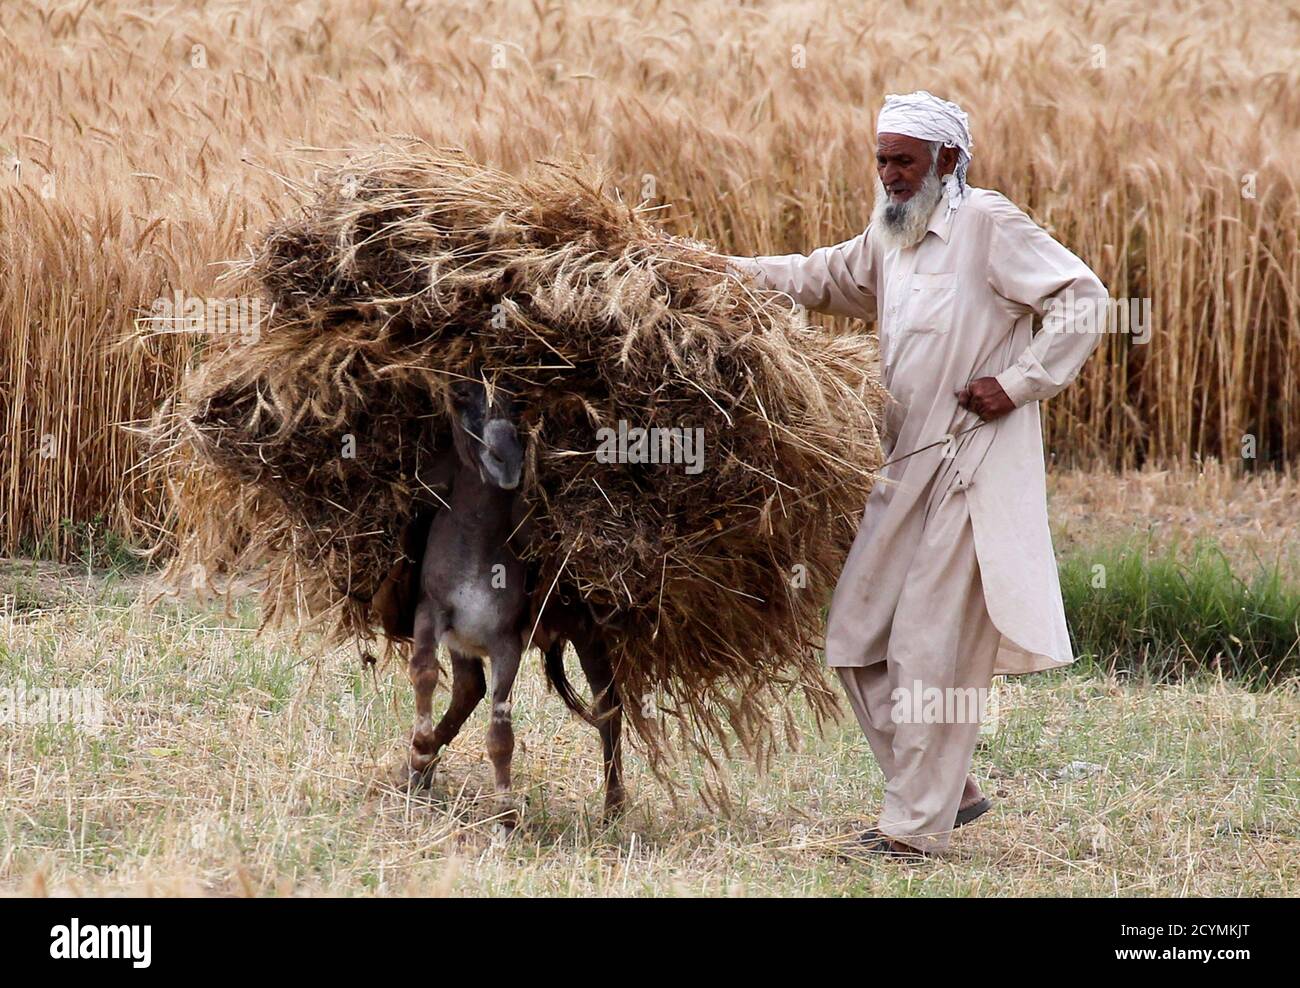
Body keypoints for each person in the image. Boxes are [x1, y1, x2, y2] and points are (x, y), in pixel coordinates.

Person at [724, 90, 1109, 856]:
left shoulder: (989, 226)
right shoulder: (889, 237)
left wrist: (1020, 381)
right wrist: (706, 268)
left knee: (929, 649)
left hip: (972, 468)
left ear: (948, 160)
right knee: (854, 637)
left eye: (903, 160)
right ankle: (946, 787)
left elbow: (1084, 297)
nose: (889, 174)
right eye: (881, 159)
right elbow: (814, 277)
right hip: (905, 472)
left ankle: (914, 830)